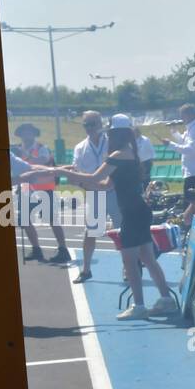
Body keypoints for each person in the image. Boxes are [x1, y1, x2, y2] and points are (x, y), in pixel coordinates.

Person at [59, 120, 178, 320]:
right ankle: (166, 299)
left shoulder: (117, 155)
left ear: (117, 135)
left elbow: (95, 179)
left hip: (131, 213)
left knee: (130, 260)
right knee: (147, 258)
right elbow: (106, 185)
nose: (108, 138)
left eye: (111, 134)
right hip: (138, 211)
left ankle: (139, 305)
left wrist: (64, 173)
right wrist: (79, 178)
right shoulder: (130, 154)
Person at [70, 110, 123, 284]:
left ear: (101, 124)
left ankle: (128, 267)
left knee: (122, 232)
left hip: (115, 193)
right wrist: (85, 185)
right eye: (86, 124)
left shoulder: (112, 143)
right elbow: (76, 173)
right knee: (90, 233)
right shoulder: (80, 147)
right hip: (94, 195)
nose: (90, 128)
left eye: (93, 123)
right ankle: (86, 270)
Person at [11, 123, 71, 263]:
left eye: (30, 132)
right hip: (26, 188)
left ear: (34, 134)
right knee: (24, 220)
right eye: (24, 132)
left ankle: (63, 249)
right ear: (20, 135)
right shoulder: (17, 150)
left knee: (51, 219)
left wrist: (24, 155)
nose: (27, 135)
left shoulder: (42, 147)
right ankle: (36, 249)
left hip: (45, 188)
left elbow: (42, 161)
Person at [161, 103, 195, 199]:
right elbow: (183, 141)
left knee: (192, 204)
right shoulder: (192, 127)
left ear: (190, 115)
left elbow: (190, 149)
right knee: (192, 204)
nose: (181, 118)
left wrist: (170, 145)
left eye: (183, 115)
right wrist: (174, 131)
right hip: (192, 171)